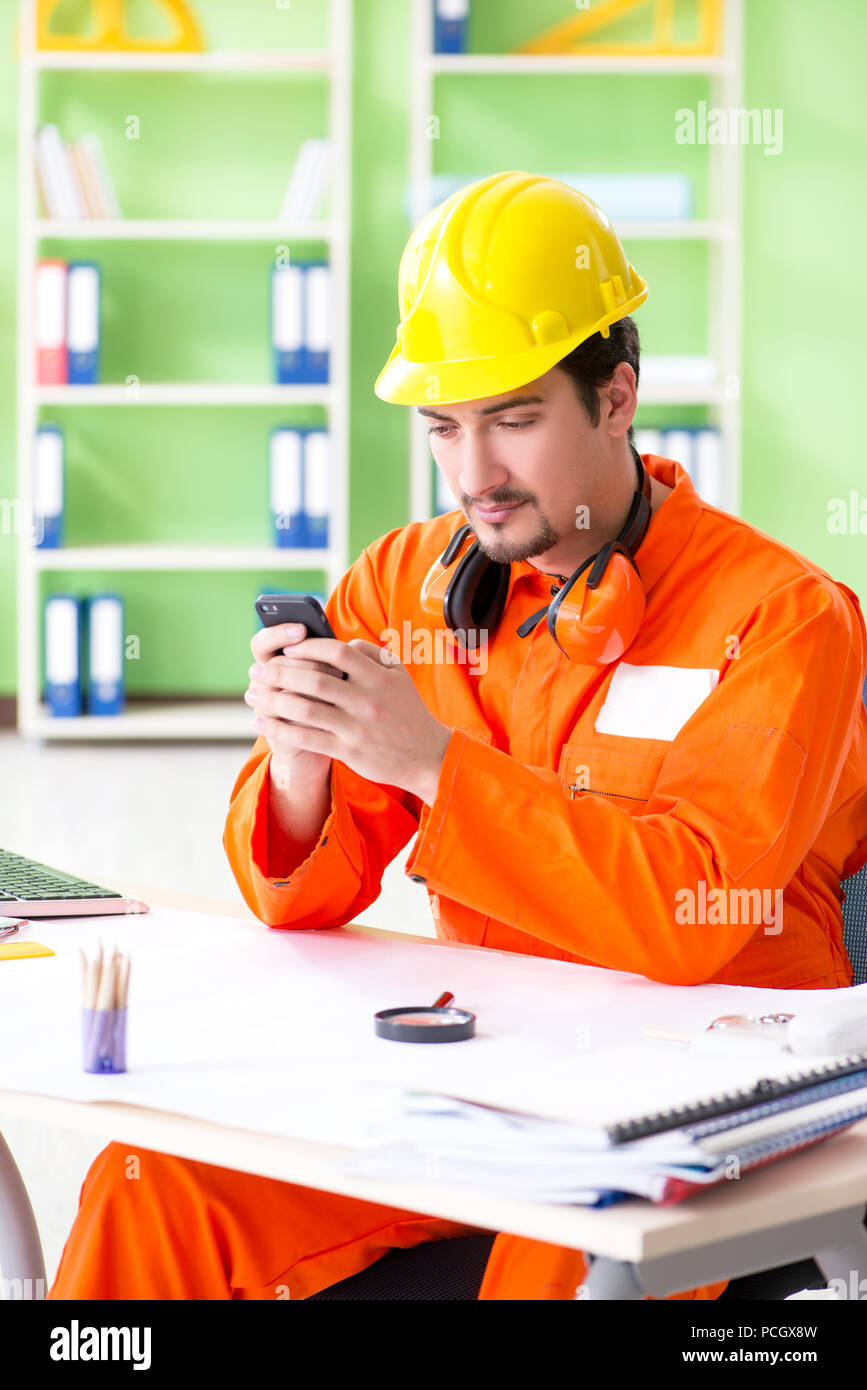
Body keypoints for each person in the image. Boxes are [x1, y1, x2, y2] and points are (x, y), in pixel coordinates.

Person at [49, 172, 867, 1301]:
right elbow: (299, 897)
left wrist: (433, 764)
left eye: (515, 420)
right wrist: (302, 764)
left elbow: (693, 918)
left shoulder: (780, 617)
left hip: (711, 1092)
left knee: (553, 1254)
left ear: (617, 397)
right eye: (444, 426)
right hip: (487, 1062)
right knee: (153, 1185)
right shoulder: (407, 584)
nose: (474, 473)